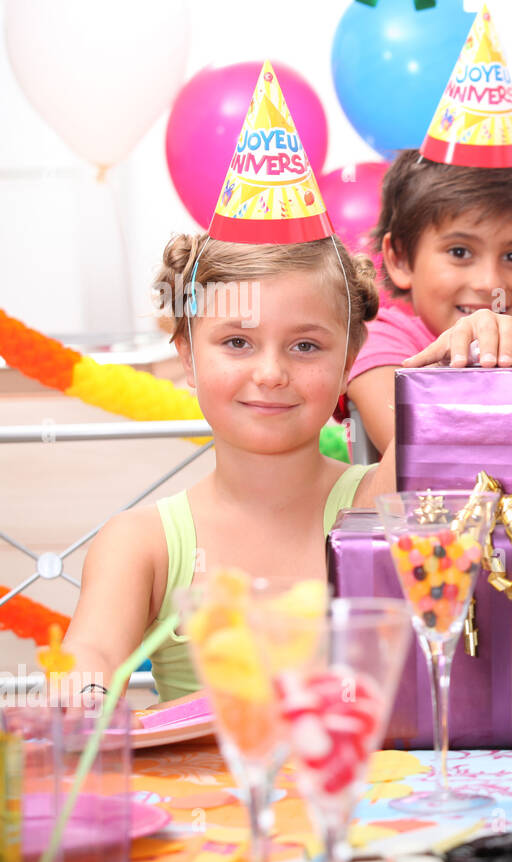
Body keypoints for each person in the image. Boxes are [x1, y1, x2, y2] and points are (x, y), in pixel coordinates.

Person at [62, 64, 396, 706]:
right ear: (187, 356)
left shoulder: (381, 502)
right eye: (237, 342)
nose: (270, 373)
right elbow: (93, 652)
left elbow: (449, 435)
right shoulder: (142, 545)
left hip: (360, 800)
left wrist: (479, 350)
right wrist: (79, 687)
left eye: (305, 346)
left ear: (350, 358)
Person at [347, 10, 512, 449]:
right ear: (400, 259)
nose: (489, 284)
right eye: (460, 252)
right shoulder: (381, 338)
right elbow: (418, 451)